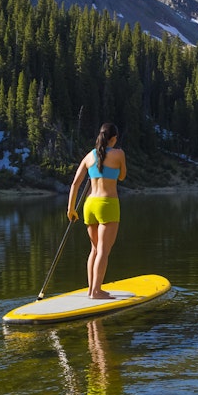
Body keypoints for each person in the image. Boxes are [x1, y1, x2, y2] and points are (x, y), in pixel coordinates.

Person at [68, 123, 127, 299]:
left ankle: (91, 289)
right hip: (107, 204)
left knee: (94, 249)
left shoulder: (89, 156)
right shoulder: (119, 154)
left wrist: (71, 209)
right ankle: (96, 291)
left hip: (89, 205)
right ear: (114, 138)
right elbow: (122, 176)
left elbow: (75, 184)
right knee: (103, 250)